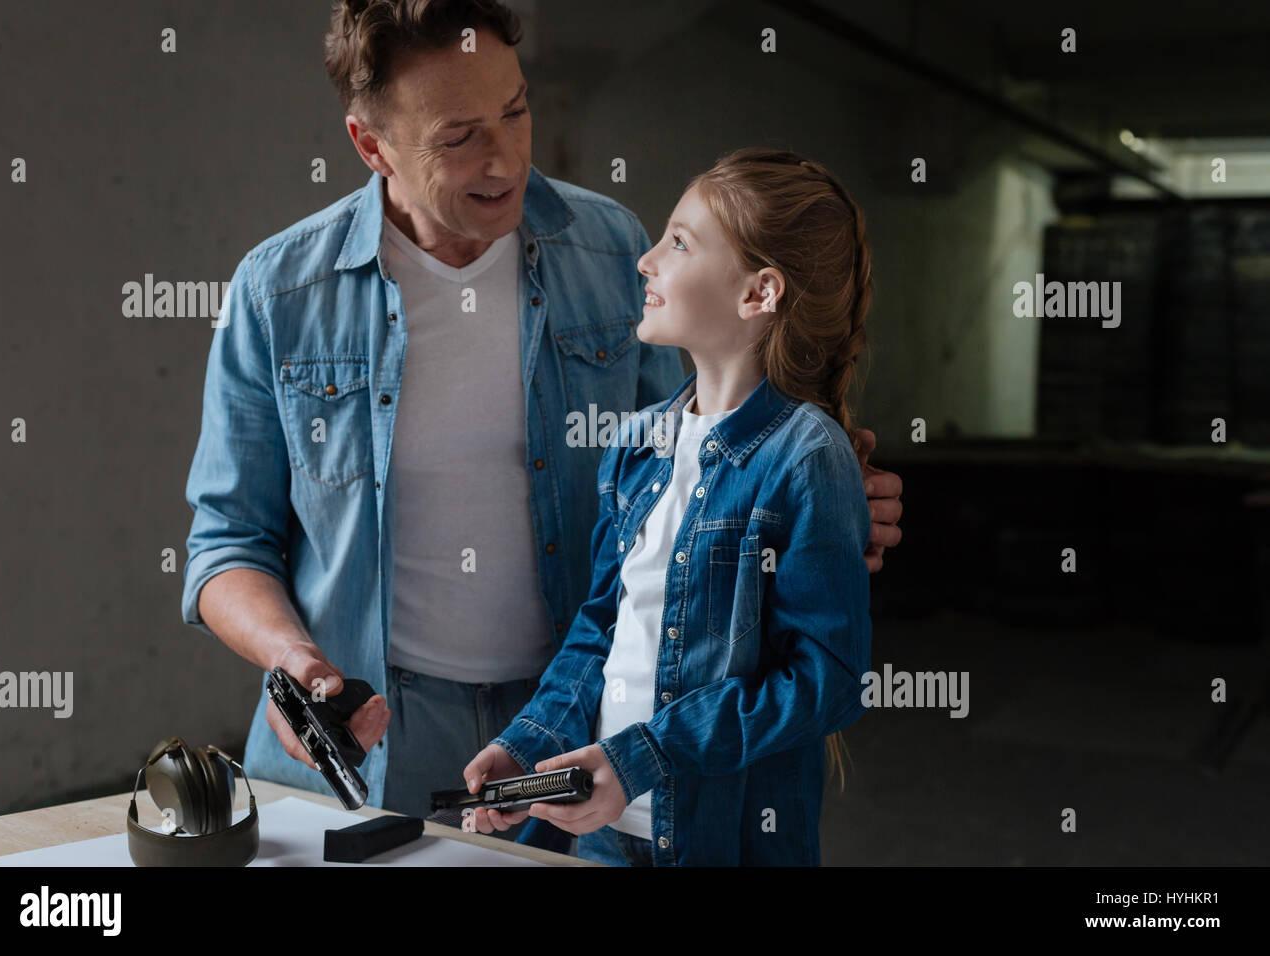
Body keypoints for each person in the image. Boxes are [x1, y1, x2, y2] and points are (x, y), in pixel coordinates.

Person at [180, 0, 903, 858]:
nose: (505, 158)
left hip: (575, 723)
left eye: (516, 112)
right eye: (458, 137)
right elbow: (226, 543)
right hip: (372, 737)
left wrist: (817, 499)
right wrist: (298, 665)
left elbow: (702, 484)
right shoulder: (279, 292)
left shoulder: (606, 249)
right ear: (371, 147)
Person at [463, 148, 875, 865]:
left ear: (759, 293)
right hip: (603, 834)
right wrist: (527, 743)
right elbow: (599, 632)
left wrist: (647, 755)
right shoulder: (636, 446)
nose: (647, 260)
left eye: (679, 242)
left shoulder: (807, 457)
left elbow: (825, 683)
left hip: (725, 843)